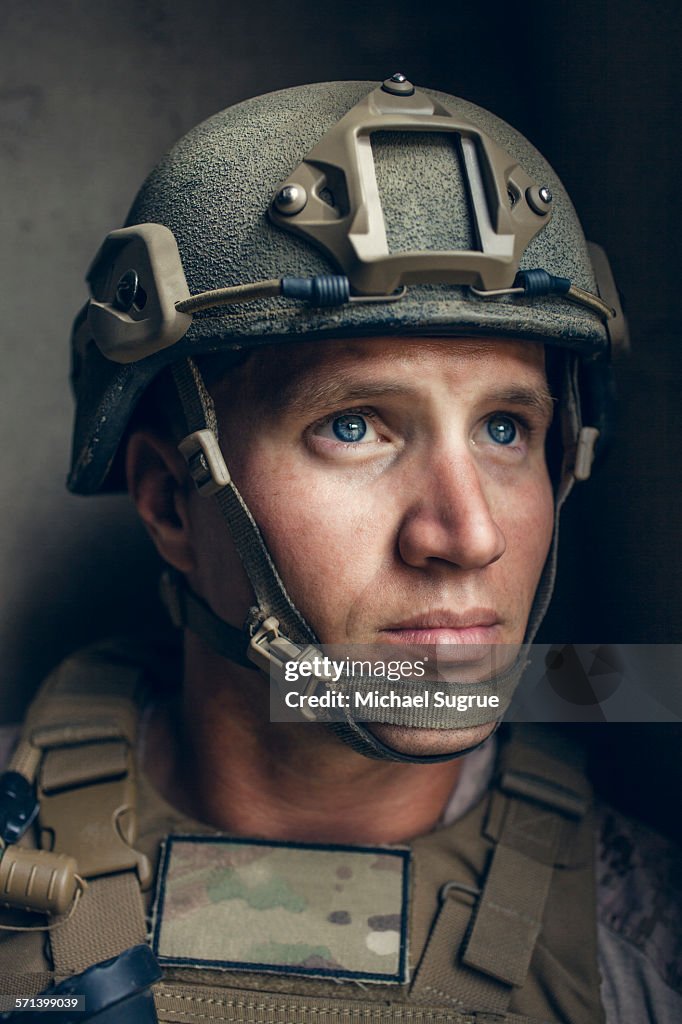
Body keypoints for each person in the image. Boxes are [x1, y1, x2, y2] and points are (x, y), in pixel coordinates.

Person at [0, 76, 679, 1023]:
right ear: (166, 502)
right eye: (354, 426)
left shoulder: (640, 950)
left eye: (506, 430)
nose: (467, 534)